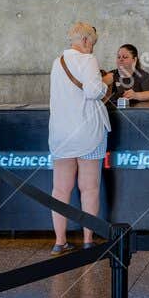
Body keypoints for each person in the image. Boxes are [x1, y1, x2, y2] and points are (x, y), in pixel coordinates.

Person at [48, 22, 110, 253]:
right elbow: (93, 92)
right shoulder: (88, 59)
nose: (92, 48)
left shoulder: (57, 62)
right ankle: (87, 239)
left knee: (60, 190)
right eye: (92, 43)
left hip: (61, 134)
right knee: (89, 188)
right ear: (85, 40)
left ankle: (59, 241)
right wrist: (106, 83)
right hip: (88, 133)